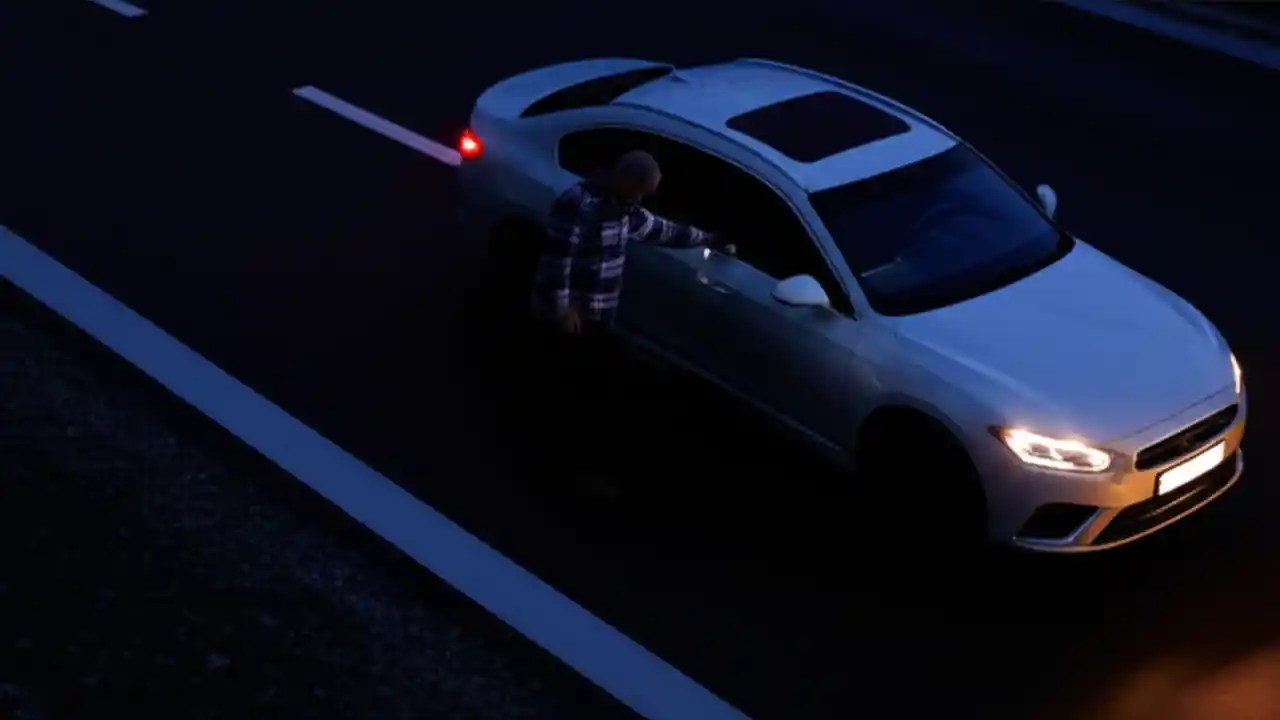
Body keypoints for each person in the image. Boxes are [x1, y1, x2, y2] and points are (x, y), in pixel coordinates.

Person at [528, 150, 731, 496]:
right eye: (641, 190)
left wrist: (708, 239)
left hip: (599, 313)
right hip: (572, 318)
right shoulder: (580, 204)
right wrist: (563, 310)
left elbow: (661, 230)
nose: (642, 199)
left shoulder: (625, 209)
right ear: (627, 180)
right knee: (573, 392)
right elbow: (557, 258)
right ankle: (560, 465)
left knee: (590, 386)